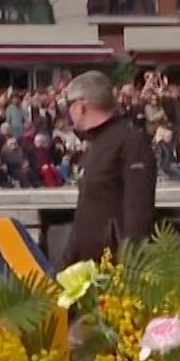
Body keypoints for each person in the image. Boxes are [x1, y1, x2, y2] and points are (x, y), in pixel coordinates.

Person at [62, 70, 156, 265]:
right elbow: (86, 209)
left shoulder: (130, 142)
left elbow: (138, 211)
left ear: (80, 106)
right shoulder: (95, 143)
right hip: (86, 265)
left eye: (68, 106)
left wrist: (130, 265)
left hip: (114, 267)